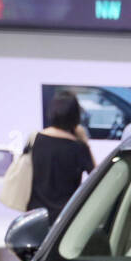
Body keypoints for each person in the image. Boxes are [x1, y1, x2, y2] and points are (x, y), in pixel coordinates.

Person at [27, 90, 96, 224]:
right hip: (65, 220)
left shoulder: (35, 139)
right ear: (76, 115)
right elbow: (96, 174)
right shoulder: (78, 148)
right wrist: (85, 142)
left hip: (36, 216)